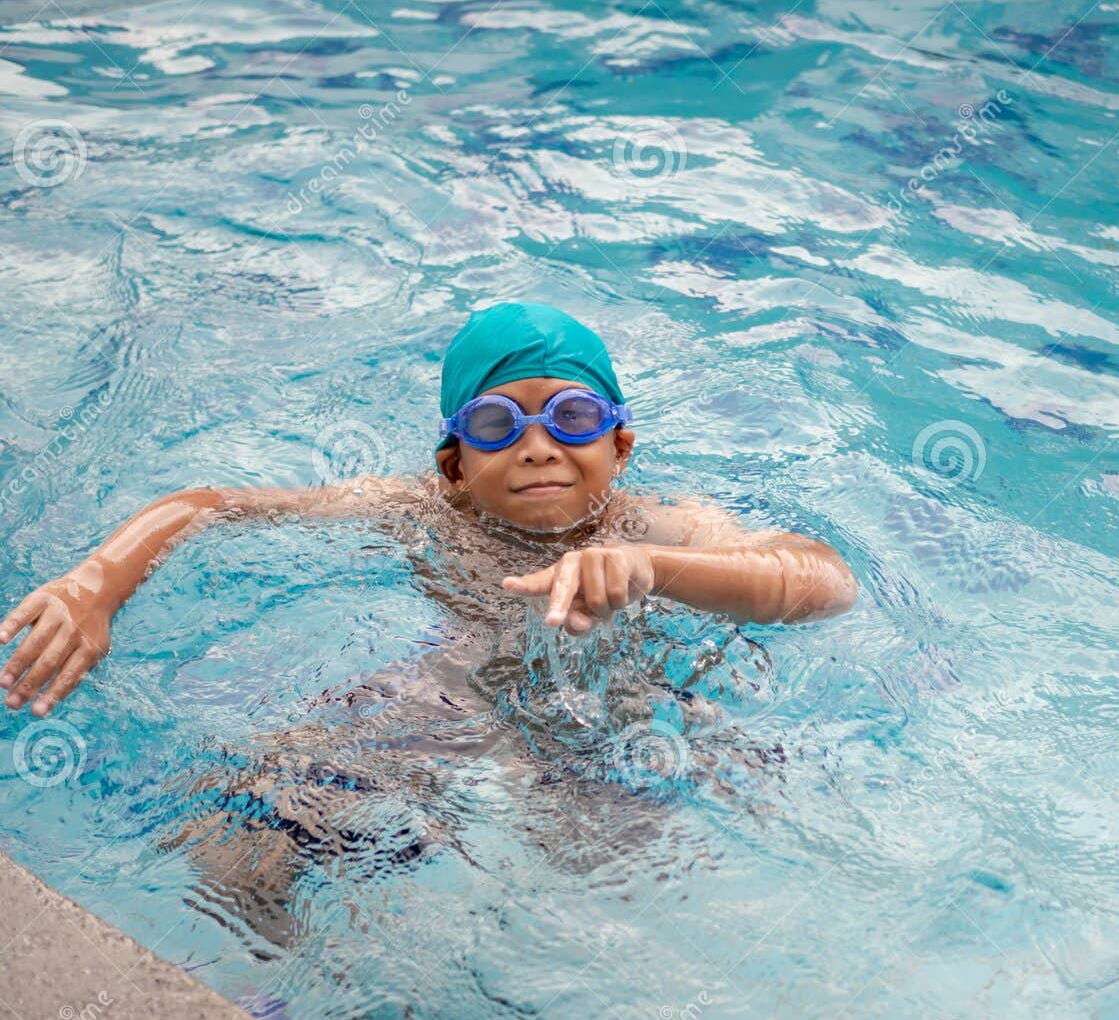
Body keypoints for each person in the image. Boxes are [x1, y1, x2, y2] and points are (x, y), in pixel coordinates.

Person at [0, 301, 858, 717]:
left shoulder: (656, 526)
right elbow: (215, 505)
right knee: (267, 806)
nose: (537, 446)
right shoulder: (418, 510)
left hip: (639, 697)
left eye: (573, 416)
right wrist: (96, 584)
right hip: (456, 690)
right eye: (496, 423)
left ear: (620, 446)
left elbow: (826, 582)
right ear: (452, 465)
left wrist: (653, 571)